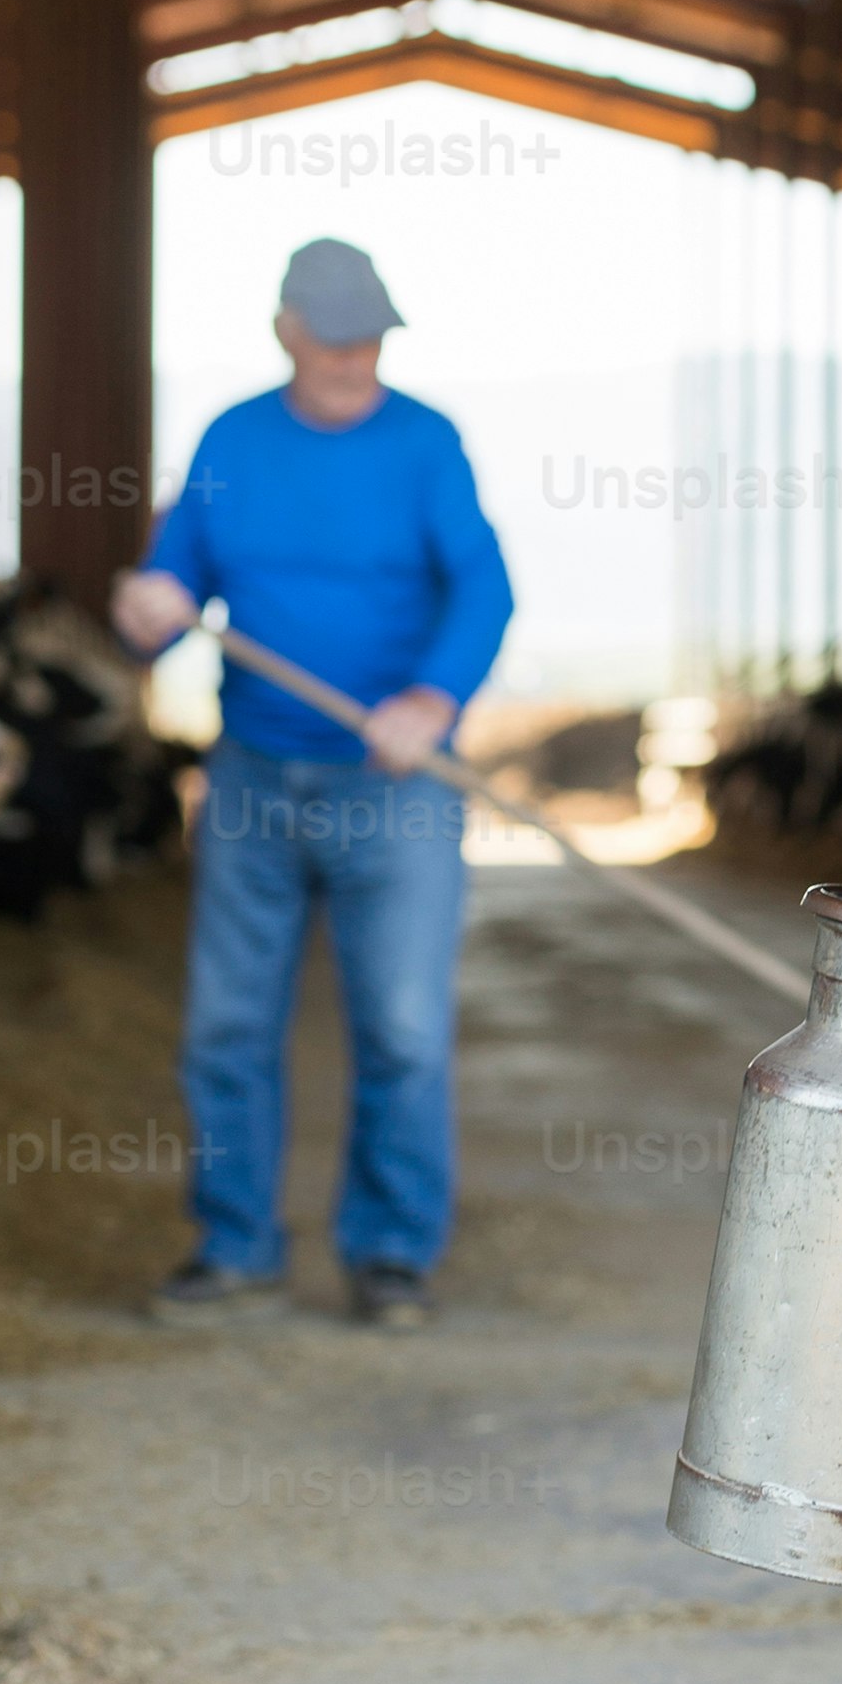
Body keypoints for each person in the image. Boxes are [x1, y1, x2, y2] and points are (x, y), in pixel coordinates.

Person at [113, 236, 514, 1333]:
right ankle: (234, 1245)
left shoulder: (425, 444)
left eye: (370, 340)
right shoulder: (232, 440)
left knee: (401, 1028)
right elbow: (170, 583)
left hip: (397, 784)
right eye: (333, 339)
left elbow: (482, 586)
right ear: (286, 328)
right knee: (226, 1026)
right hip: (251, 781)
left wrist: (432, 699)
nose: (352, 361)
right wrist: (147, 608)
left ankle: (390, 1255)